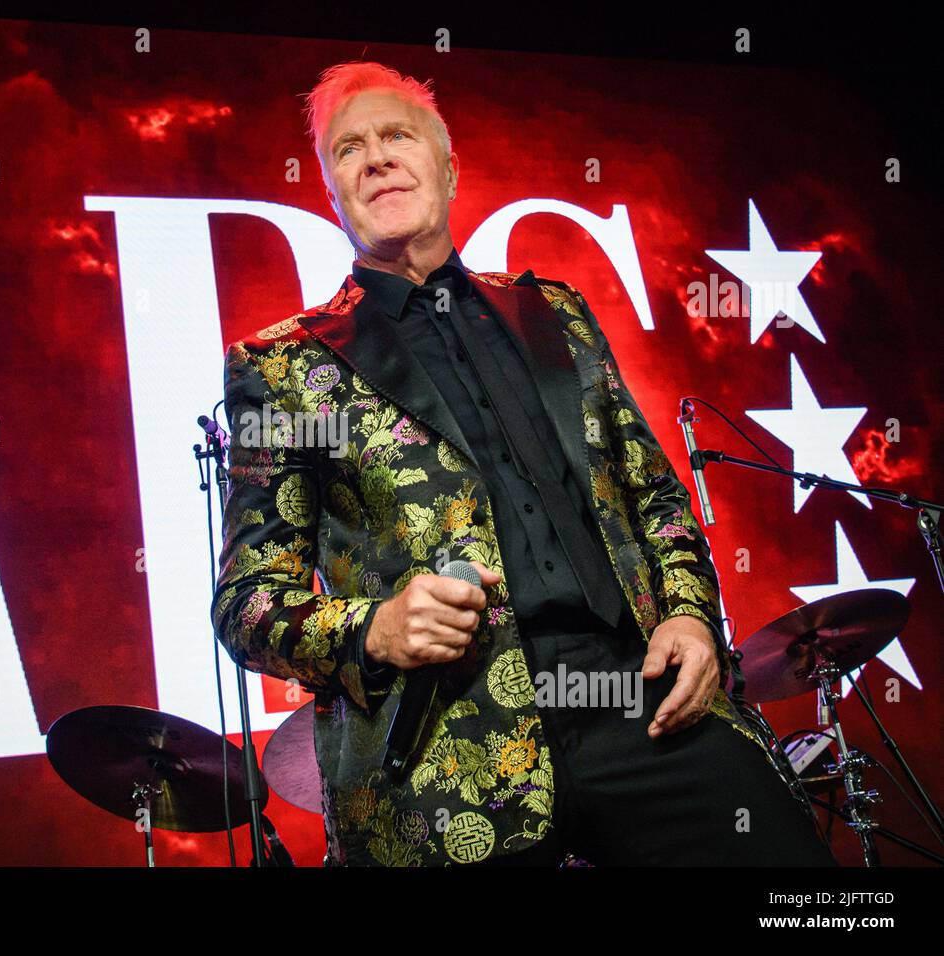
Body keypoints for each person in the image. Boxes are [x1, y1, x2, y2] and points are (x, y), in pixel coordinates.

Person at [211, 61, 836, 866]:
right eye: (346, 149)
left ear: (447, 165)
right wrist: (376, 629)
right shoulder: (281, 367)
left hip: (635, 699)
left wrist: (687, 615)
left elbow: (657, 499)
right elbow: (249, 602)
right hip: (445, 751)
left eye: (395, 135)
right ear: (332, 191)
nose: (374, 158)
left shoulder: (558, 312)